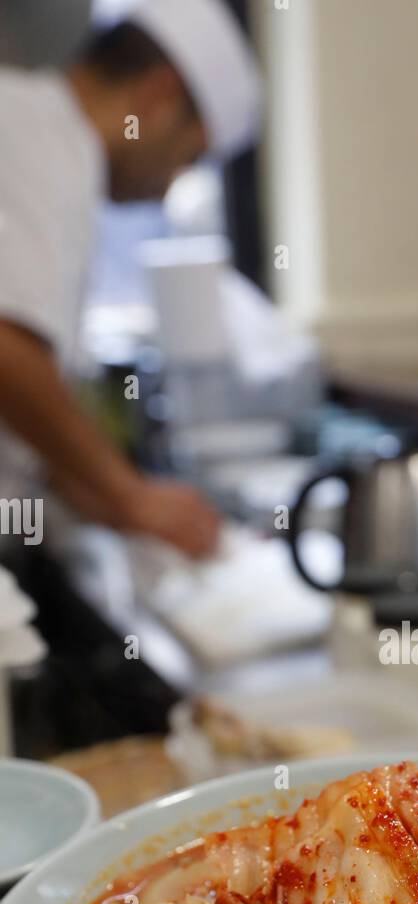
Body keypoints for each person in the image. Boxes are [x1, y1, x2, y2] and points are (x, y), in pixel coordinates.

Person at [0, 0, 262, 559]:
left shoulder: (39, 135)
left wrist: (92, 490)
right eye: (186, 159)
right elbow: (8, 347)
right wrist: (132, 496)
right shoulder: (40, 143)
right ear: (156, 96)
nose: (168, 188)